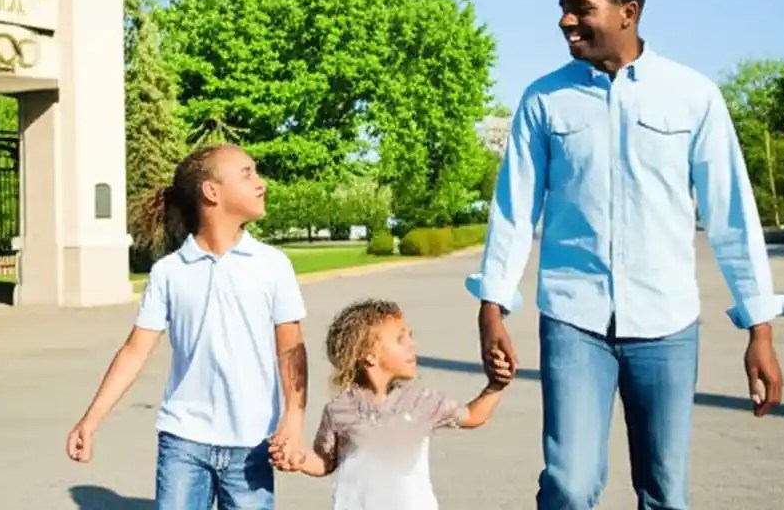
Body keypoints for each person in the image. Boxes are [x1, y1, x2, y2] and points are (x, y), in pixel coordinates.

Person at [466, 0, 784, 509]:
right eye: (563, 8)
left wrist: (760, 331)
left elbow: (731, 214)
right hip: (574, 319)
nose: (565, 21)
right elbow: (514, 209)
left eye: (579, 7)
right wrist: (492, 306)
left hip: (666, 325)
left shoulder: (692, 96)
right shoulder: (544, 100)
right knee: (569, 485)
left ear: (628, 11)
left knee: (664, 493)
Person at [65, 143, 310, 510]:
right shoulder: (169, 272)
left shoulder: (273, 265)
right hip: (183, 440)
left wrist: (293, 419)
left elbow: (290, 348)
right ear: (211, 191)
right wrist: (91, 419)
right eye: (247, 174)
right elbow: (135, 351)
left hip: (253, 443)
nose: (261, 183)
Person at [269, 298, 509, 510]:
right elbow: (325, 463)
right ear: (368, 355)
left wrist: (496, 385)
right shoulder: (339, 410)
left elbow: (473, 415)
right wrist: (298, 458)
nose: (412, 345)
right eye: (400, 339)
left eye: (410, 337)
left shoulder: (421, 402)